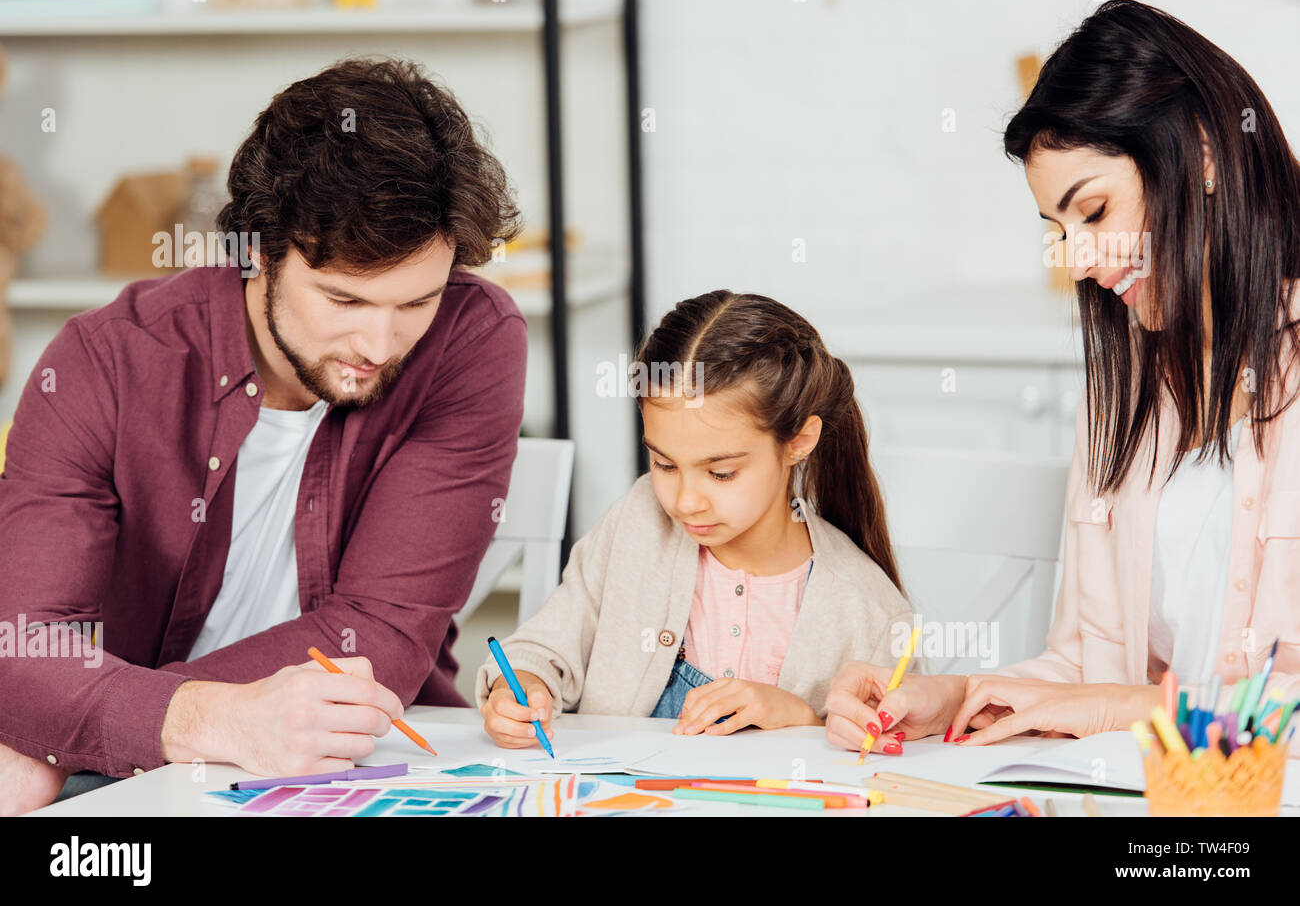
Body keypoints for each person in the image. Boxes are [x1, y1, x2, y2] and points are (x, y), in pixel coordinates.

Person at [0, 58, 527, 814]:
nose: (378, 342)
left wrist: (82, 720)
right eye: (343, 297)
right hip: (121, 790)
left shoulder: (472, 338)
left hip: (359, 768)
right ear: (261, 248)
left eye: (415, 300)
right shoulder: (106, 360)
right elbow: (25, 647)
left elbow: (381, 630)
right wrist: (198, 721)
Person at [826, 0, 1300, 753]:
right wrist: (952, 696)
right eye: (1059, 230)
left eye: (1095, 210)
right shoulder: (1122, 394)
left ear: (1206, 154)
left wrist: (1128, 708)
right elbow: (1089, 666)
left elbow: (1129, 701)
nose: (1076, 259)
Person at [478, 290, 913, 749]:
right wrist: (520, 686)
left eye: (720, 472)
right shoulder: (637, 524)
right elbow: (546, 646)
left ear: (799, 441)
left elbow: (883, 756)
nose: (685, 501)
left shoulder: (868, 610)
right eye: (664, 464)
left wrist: (802, 719)